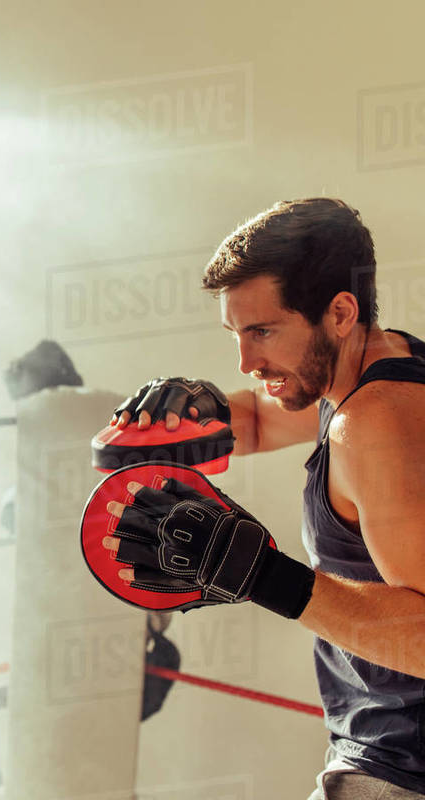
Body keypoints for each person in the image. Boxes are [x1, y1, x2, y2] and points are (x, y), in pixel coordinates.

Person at [103, 198, 425, 799]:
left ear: (339, 311)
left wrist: (262, 576)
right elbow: (257, 420)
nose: (248, 361)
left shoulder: (375, 424)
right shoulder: (379, 364)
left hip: (401, 773)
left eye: (263, 331)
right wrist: (194, 408)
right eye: (236, 335)